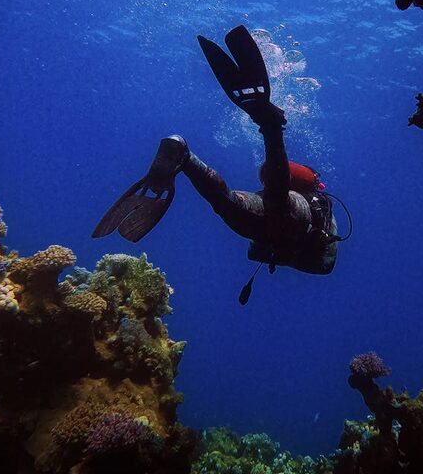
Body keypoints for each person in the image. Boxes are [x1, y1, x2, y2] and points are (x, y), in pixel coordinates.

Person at [93, 25, 341, 300]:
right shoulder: (323, 231)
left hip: (266, 220)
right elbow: (324, 266)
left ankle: (185, 157)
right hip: (287, 224)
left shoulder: (304, 215)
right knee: (261, 202)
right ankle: (268, 127)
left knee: (229, 200)